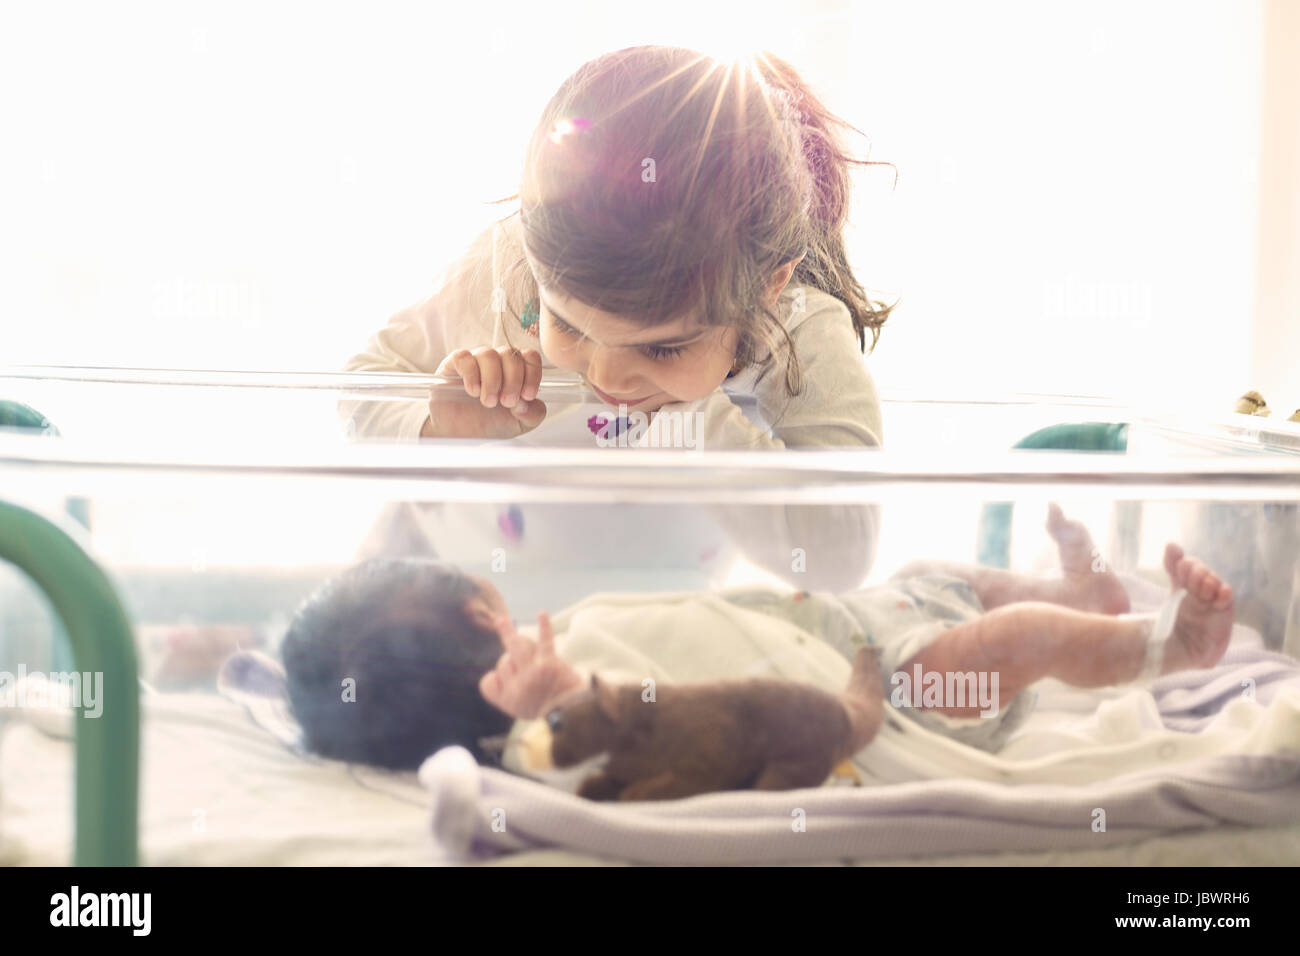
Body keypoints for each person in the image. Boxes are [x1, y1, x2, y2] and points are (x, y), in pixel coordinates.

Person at [340, 45, 893, 602]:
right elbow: (359, 386)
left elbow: (841, 557)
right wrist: (438, 431)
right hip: (426, 591)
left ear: (768, 288)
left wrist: (696, 425)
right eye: (569, 326)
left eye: (662, 349)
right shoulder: (508, 265)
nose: (607, 379)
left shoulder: (797, 329)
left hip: (618, 622)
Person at [280, 507, 1235, 773]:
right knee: (1011, 639)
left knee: (940, 577)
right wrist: (561, 693)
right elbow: (630, 730)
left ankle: (1078, 597)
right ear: (482, 618)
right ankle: (1162, 647)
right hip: (896, 693)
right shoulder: (549, 719)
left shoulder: (549, 644)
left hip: (854, 620)